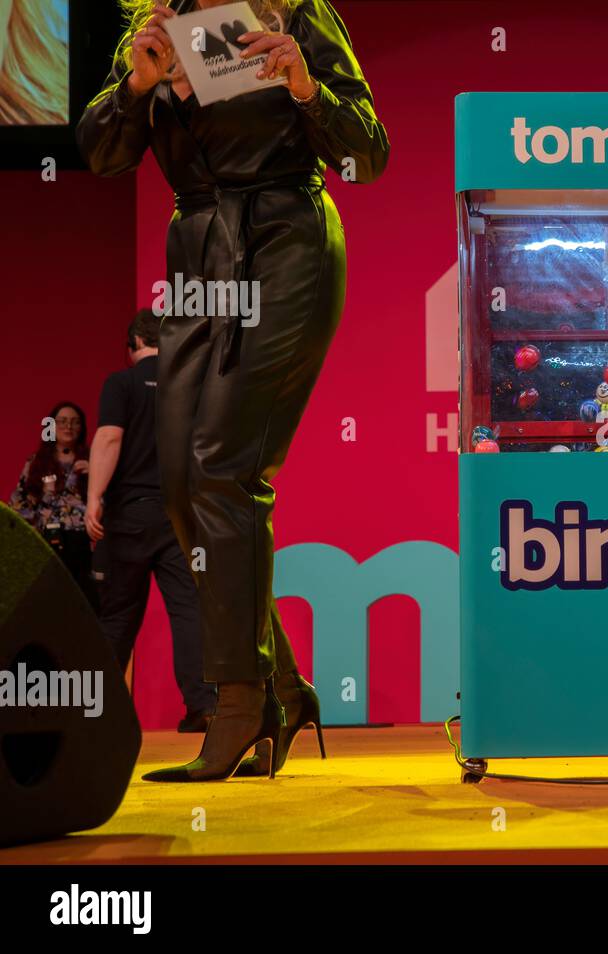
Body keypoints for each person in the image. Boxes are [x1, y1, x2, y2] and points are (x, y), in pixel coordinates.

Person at [77, 0, 388, 782]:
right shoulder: (149, 25)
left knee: (221, 465)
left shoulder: (295, 10)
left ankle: (241, 703)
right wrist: (135, 86)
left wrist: (305, 85)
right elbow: (100, 155)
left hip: (286, 239)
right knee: (181, 487)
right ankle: (282, 682)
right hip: (198, 253)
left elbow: (368, 156)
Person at [87, 310, 217, 733]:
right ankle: (203, 707)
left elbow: (109, 437)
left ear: (132, 347)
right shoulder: (189, 384)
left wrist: (94, 499)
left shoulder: (121, 383)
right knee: (188, 611)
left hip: (130, 514)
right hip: (180, 515)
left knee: (119, 617)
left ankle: (99, 712)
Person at [8, 401, 97, 609]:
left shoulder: (94, 461)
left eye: (75, 422)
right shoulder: (36, 462)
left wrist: (96, 474)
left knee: (84, 606)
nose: (69, 427)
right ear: (51, 426)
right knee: (47, 606)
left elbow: (110, 504)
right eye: (63, 422)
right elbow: (19, 507)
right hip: (47, 544)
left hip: (83, 545)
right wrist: (46, 495)